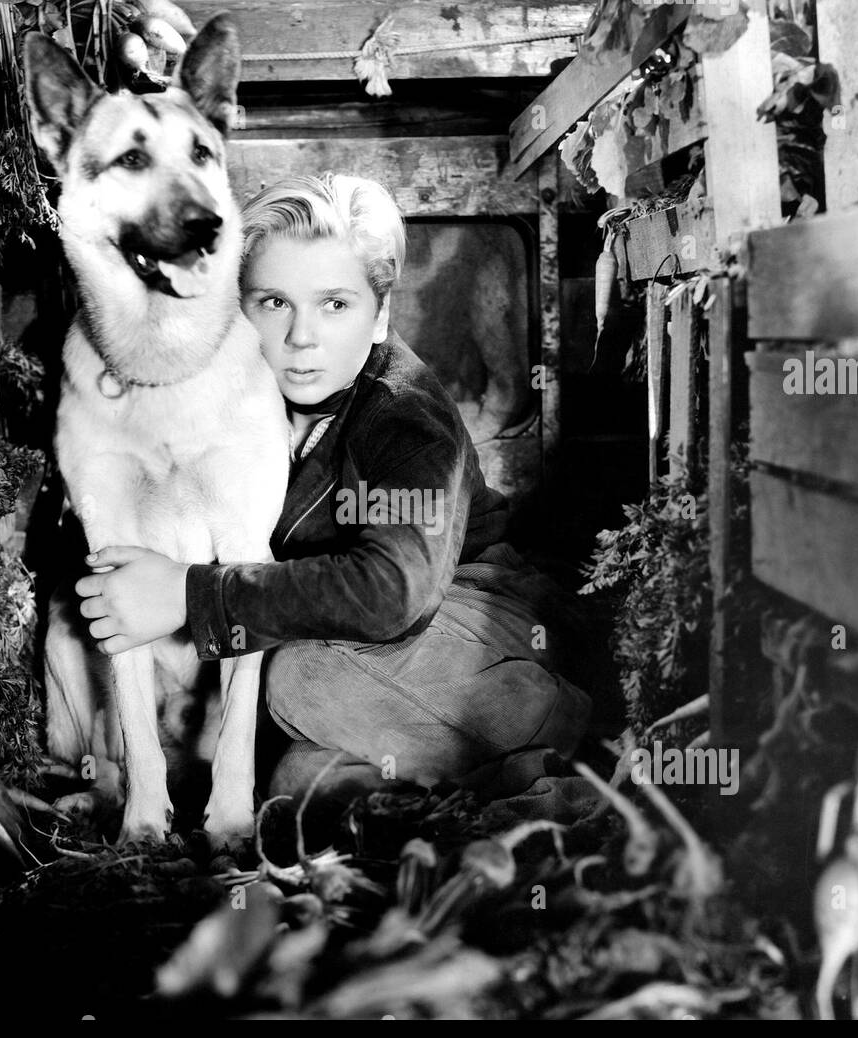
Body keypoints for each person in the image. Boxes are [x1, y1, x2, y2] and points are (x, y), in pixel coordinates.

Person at [75, 173, 594, 811]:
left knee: (299, 680)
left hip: (463, 613)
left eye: (335, 304)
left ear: (380, 316)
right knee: (296, 784)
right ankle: (439, 773)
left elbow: (394, 591)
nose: (302, 338)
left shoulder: (404, 417)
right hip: (336, 637)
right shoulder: (232, 397)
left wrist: (188, 594)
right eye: (272, 302)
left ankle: (555, 723)